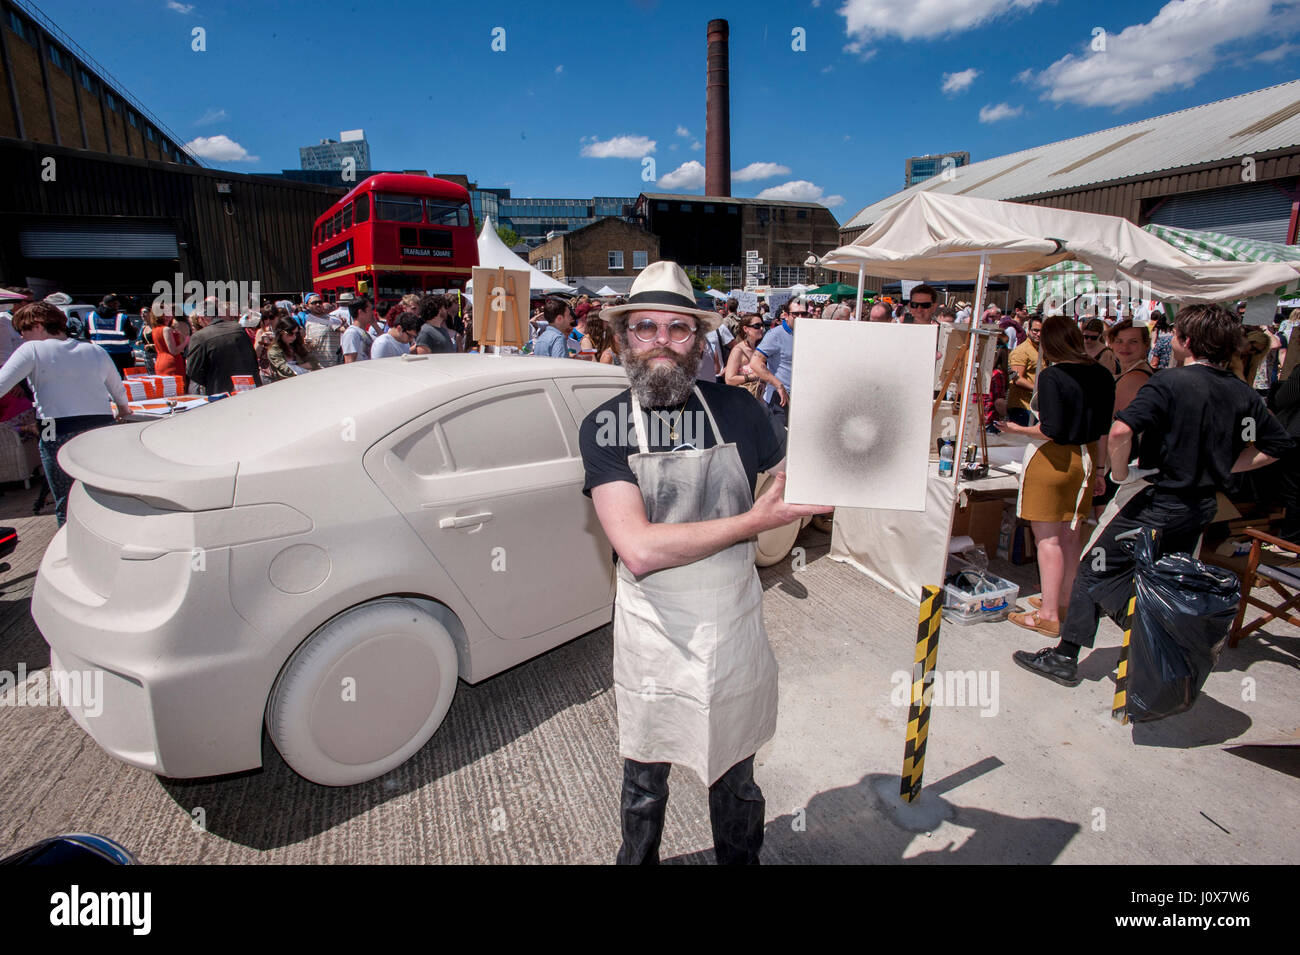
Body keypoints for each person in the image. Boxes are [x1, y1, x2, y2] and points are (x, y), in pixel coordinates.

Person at [577, 261, 830, 864]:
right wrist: (754, 522)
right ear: (623, 338)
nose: (661, 341)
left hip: (732, 623)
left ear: (699, 339)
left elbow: (791, 477)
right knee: (644, 778)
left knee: (736, 777)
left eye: (678, 329)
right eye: (645, 327)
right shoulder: (606, 428)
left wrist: (854, 453)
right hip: (654, 629)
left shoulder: (739, 412)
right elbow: (637, 548)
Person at [1014, 304, 1295, 686]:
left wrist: (1118, 472)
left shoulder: (1169, 383)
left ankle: (1065, 656)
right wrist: (1224, 465)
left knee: (1092, 566)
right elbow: (1276, 444)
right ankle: (1154, 658)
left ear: (1186, 341)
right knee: (1164, 581)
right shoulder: (1241, 392)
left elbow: (1120, 431)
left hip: (1153, 499)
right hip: (1199, 507)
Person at [1003, 317, 1115, 637]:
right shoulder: (1102, 374)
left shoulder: (1053, 375)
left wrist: (1016, 429)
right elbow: (1105, 429)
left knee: (1047, 540)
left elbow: (1049, 430)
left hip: (1052, 461)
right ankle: (1062, 604)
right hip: (1087, 459)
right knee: (1069, 537)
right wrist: (1102, 470)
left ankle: (1048, 614)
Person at [0, 302, 129, 525]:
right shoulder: (94, 349)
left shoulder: (31, 349)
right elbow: (118, 390)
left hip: (53, 427)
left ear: (38, 325)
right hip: (100, 425)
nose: (22, 337)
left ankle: (69, 549)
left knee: (66, 501)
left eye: (23, 330)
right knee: (103, 493)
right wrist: (124, 410)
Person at [1091, 318, 1153, 517]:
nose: (1124, 347)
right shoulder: (1129, 373)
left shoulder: (1136, 376)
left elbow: (1109, 420)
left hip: (1121, 459)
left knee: (1107, 517)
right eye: (1119, 341)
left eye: (1133, 341)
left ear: (1146, 345)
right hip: (1120, 457)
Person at [185, 301, 262, 395]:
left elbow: (192, 371)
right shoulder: (239, 328)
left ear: (202, 318)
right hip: (248, 387)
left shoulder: (199, 336)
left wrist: (211, 380)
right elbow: (253, 357)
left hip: (220, 390)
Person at [751, 298, 801, 430]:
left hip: (802, 399)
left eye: (804, 314)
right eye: (796, 314)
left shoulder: (809, 334)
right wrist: (778, 385)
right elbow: (755, 362)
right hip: (780, 400)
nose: (800, 317)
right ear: (786, 314)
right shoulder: (775, 335)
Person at [86, 294, 138, 378]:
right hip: (121, 357)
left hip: (98, 354)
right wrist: (133, 329)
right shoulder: (122, 318)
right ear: (114, 304)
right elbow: (132, 337)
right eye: (117, 304)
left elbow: (87, 335)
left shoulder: (90, 316)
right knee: (121, 382)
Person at [1006, 315, 1043, 426]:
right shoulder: (1022, 351)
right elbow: (1017, 379)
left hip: (1033, 406)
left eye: (1042, 331)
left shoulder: (1039, 350)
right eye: (1035, 330)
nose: (1039, 334)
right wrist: (1040, 389)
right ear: (1028, 330)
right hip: (1021, 407)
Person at [723, 311, 767, 401]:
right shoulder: (738, 350)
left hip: (759, 400)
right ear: (746, 329)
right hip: (742, 400)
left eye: (762, 325)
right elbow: (729, 379)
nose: (761, 328)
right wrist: (753, 376)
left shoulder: (760, 348)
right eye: (757, 326)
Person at [264, 315, 320, 382]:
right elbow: (287, 371)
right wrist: (305, 366)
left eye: (296, 333)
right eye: (290, 333)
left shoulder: (297, 346)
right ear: (281, 332)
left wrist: (296, 367)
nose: (294, 336)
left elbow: (314, 362)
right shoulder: (274, 351)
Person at [302, 293, 344, 367]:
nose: (318, 304)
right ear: (307, 306)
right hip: (317, 366)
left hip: (333, 365)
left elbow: (344, 330)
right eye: (314, 303)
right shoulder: (308, 323)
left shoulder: (331, 319)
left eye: (320, 302)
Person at [152, 304, 188, 386]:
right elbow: (174, 351)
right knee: (177, 389)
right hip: (171, 363)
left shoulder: (155, 329)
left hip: (160, 361)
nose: (168, 315)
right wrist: (186, 341)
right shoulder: (166, 329)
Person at [341, 298, 375, 363]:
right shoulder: (351, 333)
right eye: (370, 310)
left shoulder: (364, 332)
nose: (372, 313)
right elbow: (349, 361)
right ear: (360, 312)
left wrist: (375, 324)